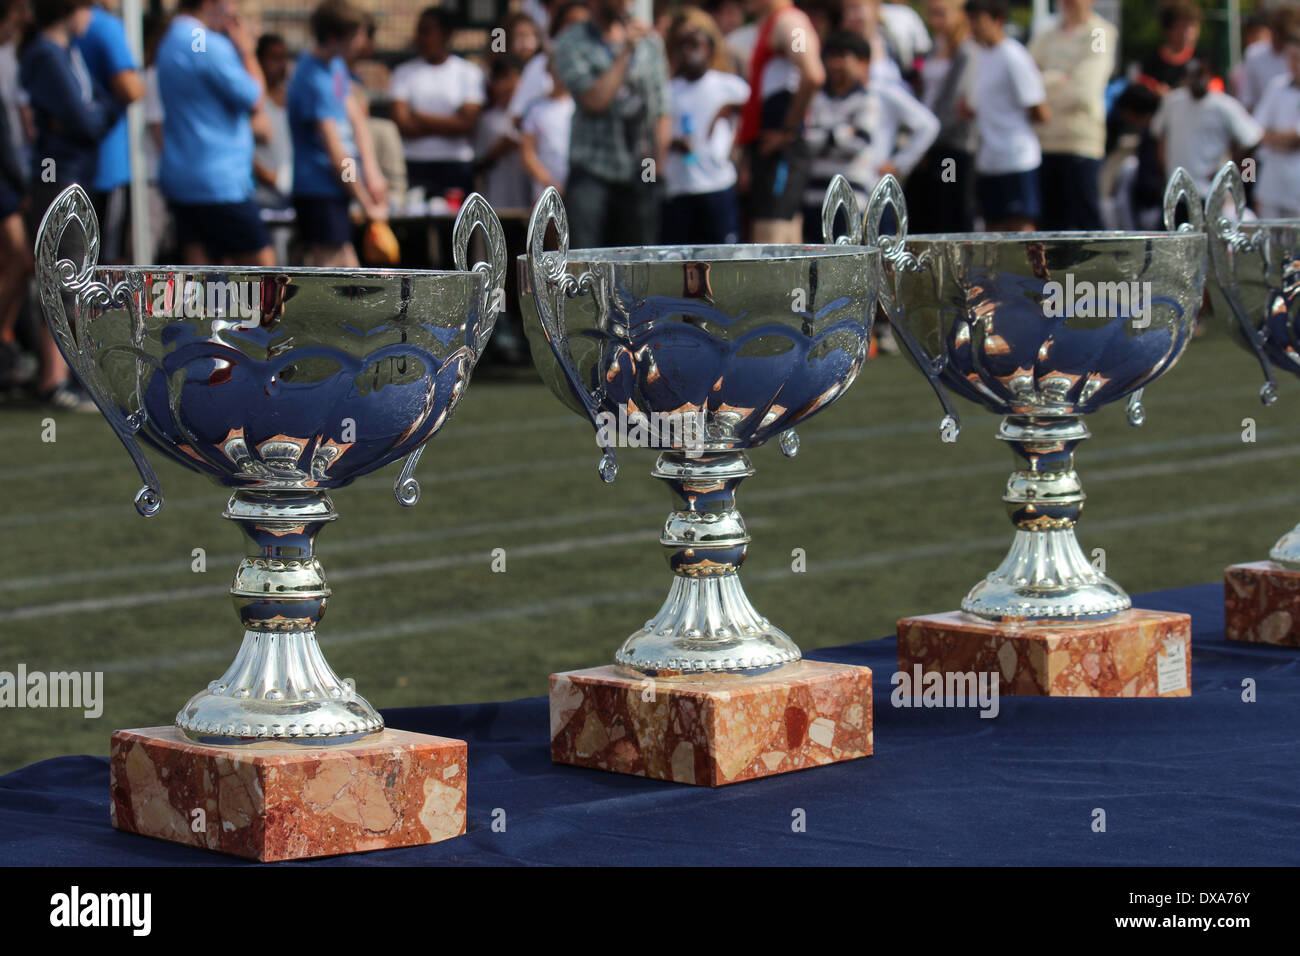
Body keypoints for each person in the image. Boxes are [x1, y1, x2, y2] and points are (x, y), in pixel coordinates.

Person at [19, 0, 112, 410]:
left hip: (71, 173)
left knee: (68, 274)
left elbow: (86, 115)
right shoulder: (46, 54)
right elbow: (85, 121)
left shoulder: (62, 52)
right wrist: (108, 107)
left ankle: (58, 378)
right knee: (65, 276)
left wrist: (97, 110)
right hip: (59, 177)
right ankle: (56, 380)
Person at [156, 0, 273, 266]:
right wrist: (247, 52)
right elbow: (255, 97)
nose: (233, 10)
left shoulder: (169, 41)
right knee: (266, 279)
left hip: (183, 180)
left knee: (200, 283)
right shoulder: (209, 45)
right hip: (221, 184)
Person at [551, 0, 670, 247]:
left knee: (638, 267)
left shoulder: (650, 41)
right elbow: (596, 100)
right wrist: (626, 51)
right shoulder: (571, 41)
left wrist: (658, 167)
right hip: (592, 173)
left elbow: (662, 107)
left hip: (640, 173)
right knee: (587, 264)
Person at [804, 29, 937, 232]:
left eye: (843, 57)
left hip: (867, 192)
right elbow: (804, 140)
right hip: (818, 196)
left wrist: (899, 164)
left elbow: (928, 125)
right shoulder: (817, 97)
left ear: (864, 62)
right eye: (831, 57)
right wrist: (840, 134)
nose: (836, 65)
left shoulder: (880, 92)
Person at [288, 0, 386, 267]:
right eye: (357, 36)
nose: (363, 42)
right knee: (338, 276)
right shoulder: (313, 79)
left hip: (338, 188)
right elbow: (336, 155)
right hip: (318, 191)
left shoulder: (336, 65)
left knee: (348, 274)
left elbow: (355, 115)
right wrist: (366, 203)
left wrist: (373, 171)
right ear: (333, 37)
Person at [736, 0, 823, 243]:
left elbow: (813, 75)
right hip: (772, 149)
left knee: (772, 238)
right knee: (779, 234)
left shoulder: (790, 22)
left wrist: (787, 130)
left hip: (782, 150)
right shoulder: (776, 23)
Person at [662, 10, 748, 245]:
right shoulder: (668, 90)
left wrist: (738, 152)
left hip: (718, 185)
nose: (689, 52)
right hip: (680, 188)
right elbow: (654, 135)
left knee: (722, 256)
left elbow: (751, 116)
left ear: (709, 50)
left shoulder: (729, 86)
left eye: (695, 45)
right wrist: (672, 143)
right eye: (683, 46)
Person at [1028, 0, 1115, 231]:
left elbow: (1084, 91)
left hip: (1080, 145)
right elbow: (1025, 82)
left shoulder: (1099, 33)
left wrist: (1044, 83)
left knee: (1084, 228)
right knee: (1050, 230)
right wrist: (1059, 79)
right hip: (1044, 145)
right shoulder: (1046, 35)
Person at [961, 0, 1048, 231]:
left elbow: (1039, 109)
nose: (974, 27)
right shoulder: (978, 56)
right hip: (989, 159)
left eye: (979, 20)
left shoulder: (1014, 56)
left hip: (1015, 158)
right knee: (992, 228)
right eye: (971, 21)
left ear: (997, 20)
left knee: (1021, 227)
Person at [390, 6, 484, 201]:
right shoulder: (403, 73)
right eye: (419, 31)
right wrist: (450, 122)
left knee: (455, 229)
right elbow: (403, 125)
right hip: (415, 163)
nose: (420, 38)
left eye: (427, 31)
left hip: (455, 164)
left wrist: (421, 118)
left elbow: (468, 124)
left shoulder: (468, 72)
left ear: (446, 34)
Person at [72, 2, 141, 264]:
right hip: (106, 166)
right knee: (103, 263)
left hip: (72, 164)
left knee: (81, 260)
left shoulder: (70, 26)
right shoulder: (104, 26)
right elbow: (130, 89)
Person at [910, 0, 977, 232]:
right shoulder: (934, 47)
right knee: (929, 210)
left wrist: (929, 139)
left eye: (941, 15)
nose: (935, 21)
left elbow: (955, 101)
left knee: (950, 204)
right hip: (928, 142)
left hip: (951, 145)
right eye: (932, 15)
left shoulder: (966, 50)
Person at [1151, 58, 1261, 197]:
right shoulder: (1172, 102)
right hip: (1177, 191)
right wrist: (1164, 168)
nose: (1197, 81)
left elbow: (1252, 141)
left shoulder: (1224, 105)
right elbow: (1158, 135)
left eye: (1201, 75)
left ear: (1209, 76)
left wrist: (1243, 177)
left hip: (1213, 193)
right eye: (1192, 76)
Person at [507, 0, 590, 127]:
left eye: (584, 25)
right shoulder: (540, 64)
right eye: (571, 25)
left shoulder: (606, 61)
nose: (577, 32)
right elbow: (518, 117)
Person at [1253, 29, 1300, 220]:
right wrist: (1281, 137)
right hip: (1272, 188)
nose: (1294, 63)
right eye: (1291, 57)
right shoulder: (1276, 86)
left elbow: (1294, 139)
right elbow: (1255, 131)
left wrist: (1271, 136)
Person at [475, 54, 530, 208]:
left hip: (528, 197)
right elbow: (479, 164)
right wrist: (498, 150)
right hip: (497, 199)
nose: (509, 85)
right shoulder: (487, 120)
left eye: (513, 78)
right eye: (502, 79)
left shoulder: (532, 115)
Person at [519, 58, 574, 200]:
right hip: (544, 196)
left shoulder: (582, 107)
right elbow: (528, 154)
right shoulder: (535, 108)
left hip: (577, 192)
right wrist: (552, 185)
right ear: (549, 70)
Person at [252, 33, 291, 212]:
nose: (281, 64)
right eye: (275, 58)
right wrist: (268, 177)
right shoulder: (252, 102)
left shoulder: (293, 100)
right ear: (260, 61)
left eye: (284, 58)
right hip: (260, 198)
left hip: (292, 197)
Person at [1138, 2, 1203, 96]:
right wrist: (1155, 91)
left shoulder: (1203, 61)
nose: (1189, 32)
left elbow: (1216, 90)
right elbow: (1140, 91)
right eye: (1183, 26)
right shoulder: (1151, 63)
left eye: (1193, 26)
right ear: (1168, 29)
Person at [1240, 6, 1296, 113]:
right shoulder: (1253, 54)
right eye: (1275, 32)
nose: (1276, 39)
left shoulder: (1294, 56)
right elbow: (1248, 99)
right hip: (1262, 124)